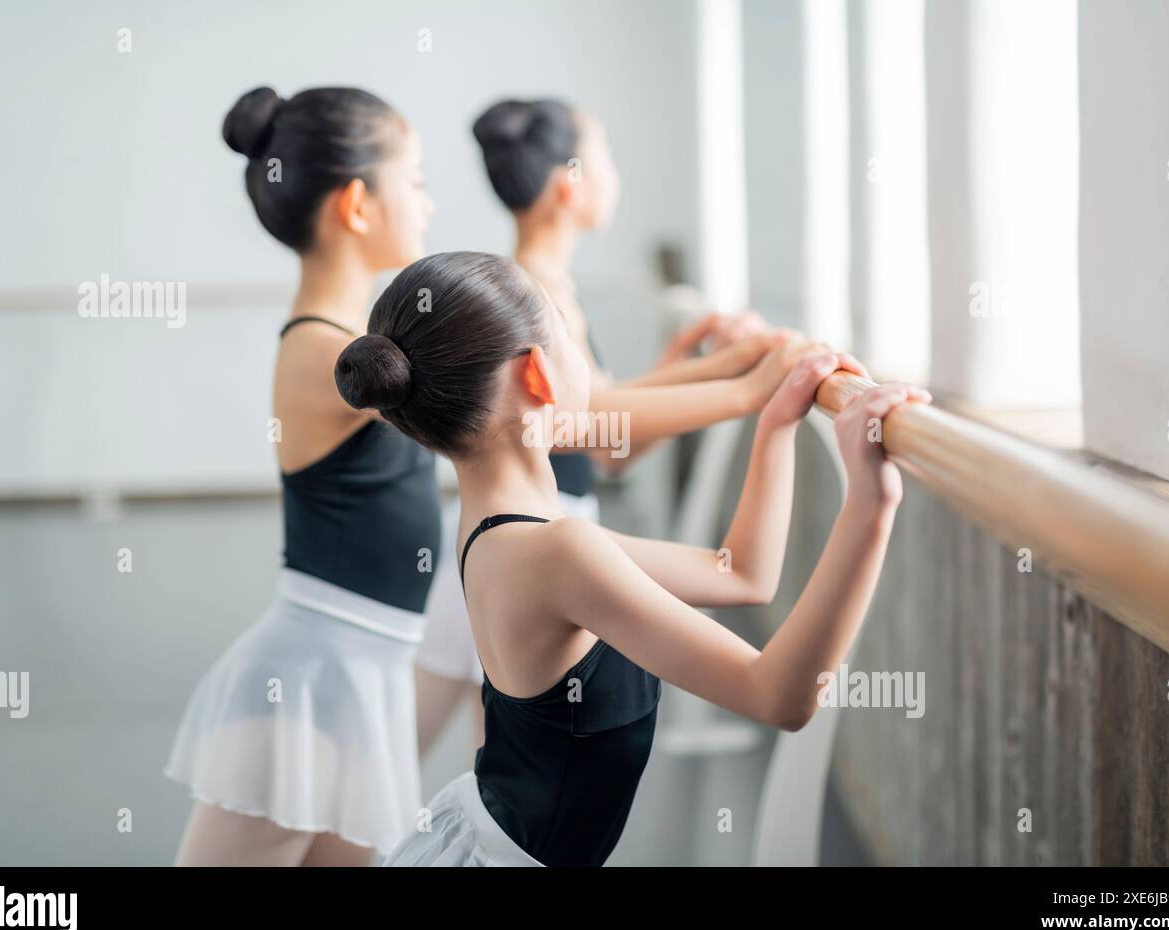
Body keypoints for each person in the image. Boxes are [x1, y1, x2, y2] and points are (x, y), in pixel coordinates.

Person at [335, 250, 931, 866]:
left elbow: (742, 573)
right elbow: (778, 695)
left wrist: (775, 420)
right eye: (571, 337)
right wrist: (871, 501)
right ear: (538, 374)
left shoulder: (507, 529)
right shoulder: (558, 550)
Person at [414, 97, 786, 755]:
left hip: (530, 527)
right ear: (571, 181)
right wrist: (743, 385)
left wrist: (709, 362)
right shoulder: (534, 296)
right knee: (447, 748)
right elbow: (586, 424)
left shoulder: (547, 284)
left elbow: (609, 436)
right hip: (523, 532)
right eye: (604, 156)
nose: (615, 175)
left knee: (477, 750)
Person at [163, 85, 438, 866]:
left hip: (364, 675)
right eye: (414, 179)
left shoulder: (349, 341)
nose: (428, 200)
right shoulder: (329, 357)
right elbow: (484, 411)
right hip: (307, 685)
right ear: (357, 204)